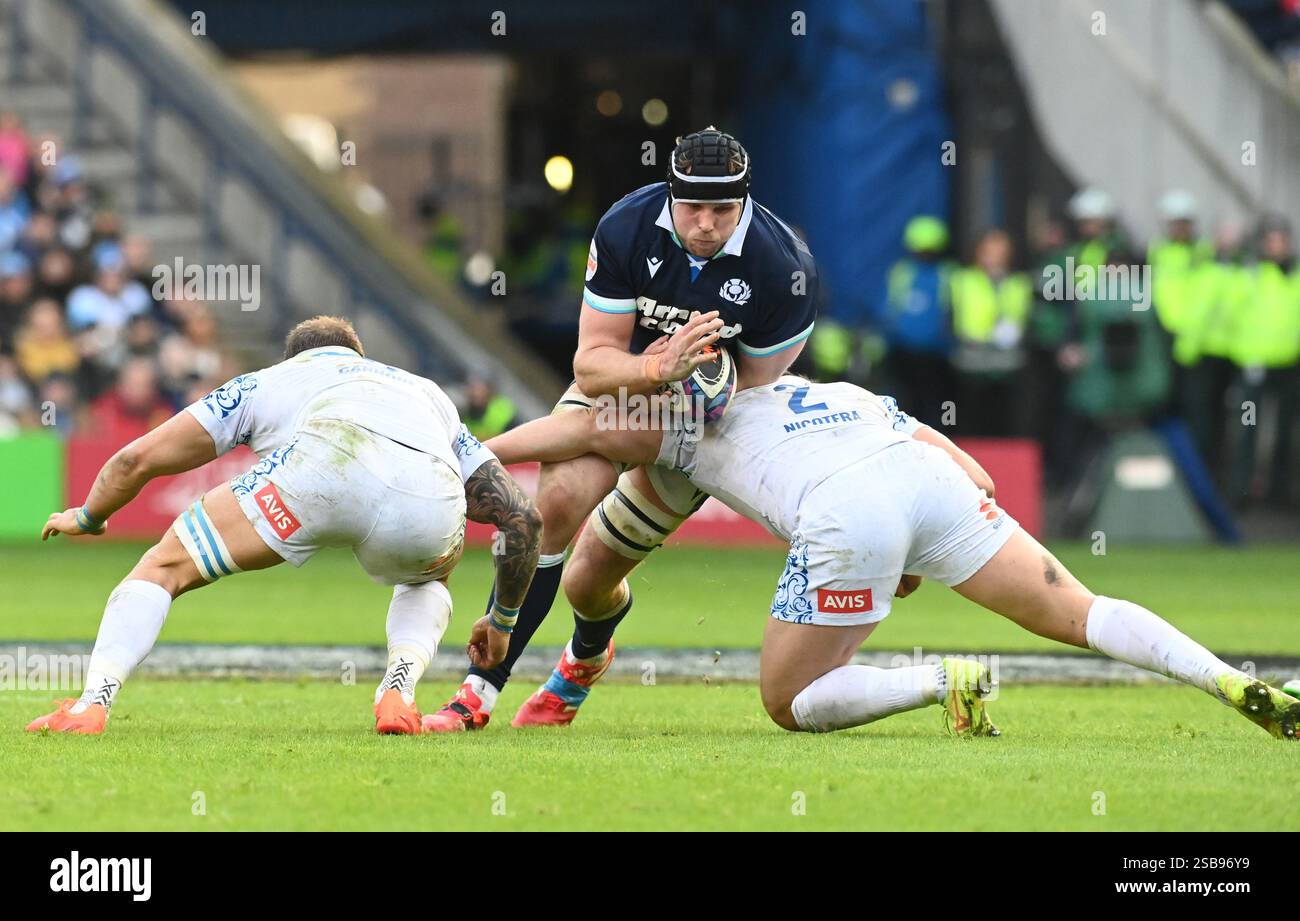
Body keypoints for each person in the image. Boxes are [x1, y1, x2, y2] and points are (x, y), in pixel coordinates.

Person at [483, 373, 1299, 741]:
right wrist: (925, 543)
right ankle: (1222, 676)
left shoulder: (682, 413)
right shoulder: (838, 390)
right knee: (1080, 611)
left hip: (845, 510)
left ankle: (940, 679)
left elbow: (581, 429)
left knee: (787, 698)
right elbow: (971, 470)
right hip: (927, 477)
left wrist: (480, 452)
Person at [424, 127, 819, 731]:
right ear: (669, 194)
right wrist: (655, 369)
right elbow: (591, 364)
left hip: (707, 422)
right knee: (554, 504)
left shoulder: (783, 268)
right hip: (622, 378)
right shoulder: (625, 227)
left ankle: (583, 660)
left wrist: (691, 385)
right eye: (693, 207)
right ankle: (479, 691)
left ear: (744, 202)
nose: (707, 223)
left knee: (587, 583)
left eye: (723, 209)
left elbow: (754, 396)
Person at [27, 315, 542, 736]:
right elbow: (522, 518)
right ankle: (398, 691)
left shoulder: (269, 381)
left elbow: (136, 460)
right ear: (358, 357)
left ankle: (91, 705)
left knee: (163, 568)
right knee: (427, 575)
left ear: (293, 357)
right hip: (426, 497)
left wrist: (89, 516)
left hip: (317, 471)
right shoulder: (425, 393)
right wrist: (500, 626)